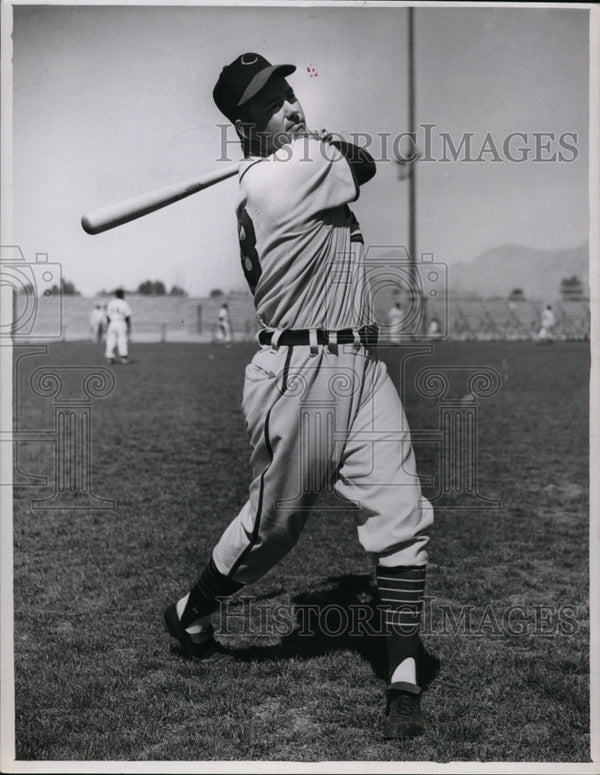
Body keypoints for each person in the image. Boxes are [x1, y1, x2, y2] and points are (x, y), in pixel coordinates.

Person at [163, 53, 434, 740]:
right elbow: (365, 162)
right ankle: (192, 607)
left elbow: (349, 159)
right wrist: (317, 148)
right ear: (245, 123)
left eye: (289, 91)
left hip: (359, 363)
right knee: (272, 531)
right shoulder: (281, 177)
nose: (291, 104)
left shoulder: (284, 167)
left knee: (401, 510)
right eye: (271, 102)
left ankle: (403, 676)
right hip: (298, 370)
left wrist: (314, 147)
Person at [104, 289, 132, 364]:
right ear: (122, 295)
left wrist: (108, 325)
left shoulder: (111, 303)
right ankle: (124, 358)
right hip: (121, 322)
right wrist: (129, 327)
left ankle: (109, 358)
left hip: (112, 322)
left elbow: (107, 315)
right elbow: (128, 316)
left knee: (110, 340)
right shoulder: (124, 303)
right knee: (122, 340)